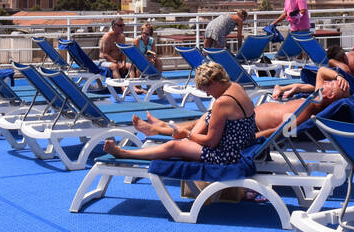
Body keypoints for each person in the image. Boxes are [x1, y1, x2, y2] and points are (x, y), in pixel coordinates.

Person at [102, 61, 256, 164]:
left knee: (174, 147)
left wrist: (187, 135)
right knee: (206, 116)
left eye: (207, 89)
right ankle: (164, 129)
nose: (208, 95)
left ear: (214, 82)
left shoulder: (222, 102)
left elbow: (211, 142)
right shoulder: (235, 87)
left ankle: (124, 154)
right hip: (244, 145)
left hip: (229, 155)